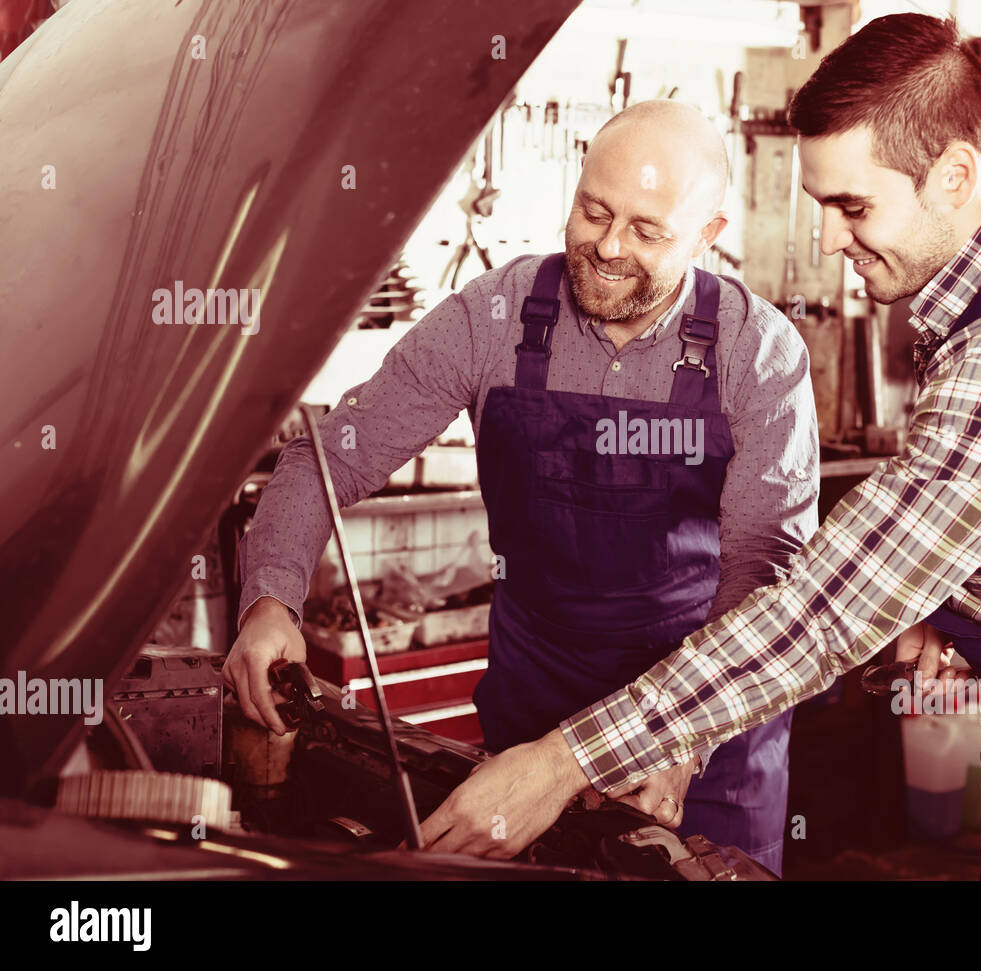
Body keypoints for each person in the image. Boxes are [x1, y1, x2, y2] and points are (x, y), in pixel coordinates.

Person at [418, 13, 981, 880]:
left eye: (853, 206)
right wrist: (954, 601)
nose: (828, 239)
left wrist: (559, 763)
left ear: (957, 175)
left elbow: (820, 614)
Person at [224, 99, 819, 876]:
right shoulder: (494, 318)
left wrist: (685, 737)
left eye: (646, 230)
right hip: (533, 706)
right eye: (593, 210)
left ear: (708, 235)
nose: (606, 247)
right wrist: (270, 600)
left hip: (702, 750)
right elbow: (324, 460)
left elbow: (766, 573)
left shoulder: (759, 352)